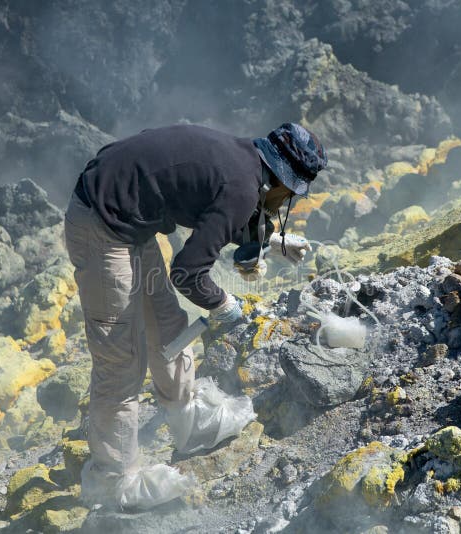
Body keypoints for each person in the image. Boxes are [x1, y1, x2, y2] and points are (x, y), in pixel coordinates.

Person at [63, 122, 327, 509]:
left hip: (126, 217)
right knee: (121, 361)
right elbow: (187, 272)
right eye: (292, 194)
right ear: (281, 180)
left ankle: (188, 419)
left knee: (166, 322)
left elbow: (213, 209)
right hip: (100, 224)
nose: (289, 203)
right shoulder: (242, 186)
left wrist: (272, 240)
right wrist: (223, 305)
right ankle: (114, 481)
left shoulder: (243, 160)